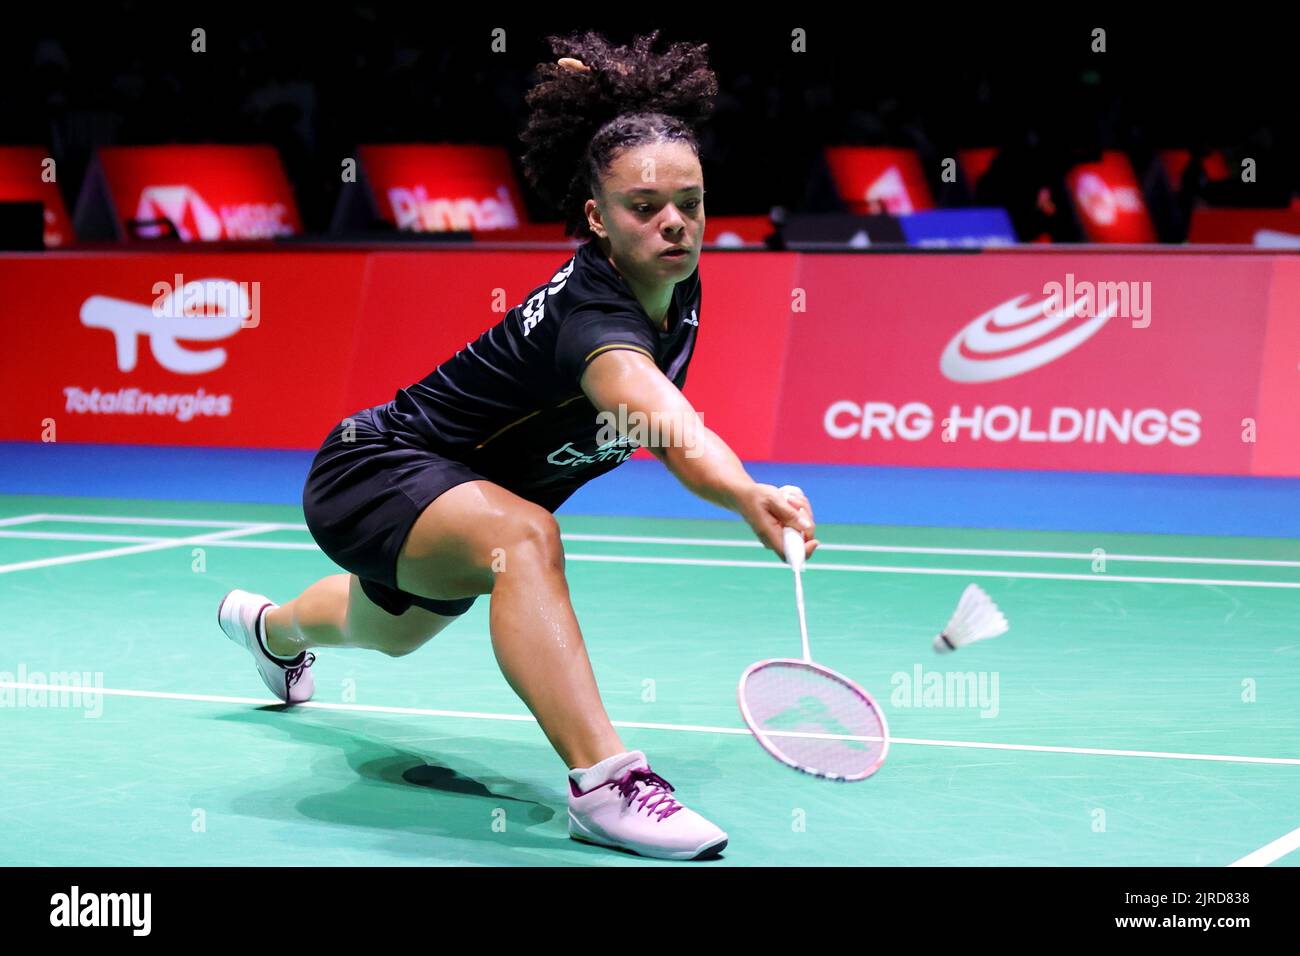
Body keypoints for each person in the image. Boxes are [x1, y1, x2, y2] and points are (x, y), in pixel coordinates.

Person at [217, 30, 818, 861]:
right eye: (645, 208)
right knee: (525, 538)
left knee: (389, 630)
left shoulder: (675, 287)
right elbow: (664, 421)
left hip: (450, 495)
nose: (674, 223)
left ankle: (268, 631)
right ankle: (607, 786)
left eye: (691, 202)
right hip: (374, 467)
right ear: (597, 220)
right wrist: (746, 492)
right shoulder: (595, 318)